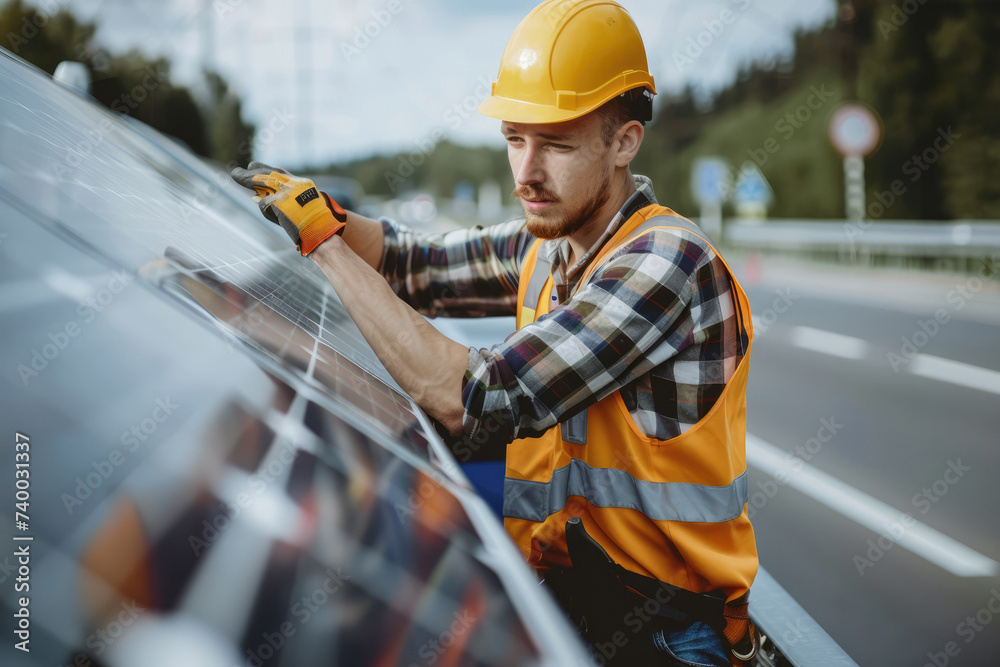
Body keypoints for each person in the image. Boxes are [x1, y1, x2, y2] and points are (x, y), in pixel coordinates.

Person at [231, 1, 759, 664]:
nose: (526, 172)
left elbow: (474, 399)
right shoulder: (551, 241)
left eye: (556, 144)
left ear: (624, 141)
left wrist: (325, 246)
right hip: (566, 596)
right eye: (514, 138)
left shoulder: (667, 263)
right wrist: (326, 213)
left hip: (664, 636)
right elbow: (411, 262)